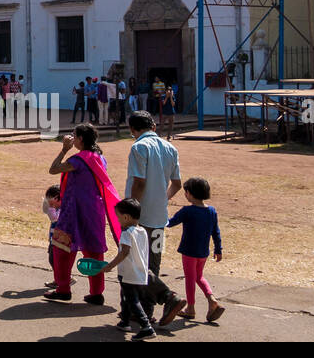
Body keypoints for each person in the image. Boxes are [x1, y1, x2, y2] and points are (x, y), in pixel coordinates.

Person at [43, 123, 116, 303]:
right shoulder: (99, 157)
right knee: (94, 251)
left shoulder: (78, 160)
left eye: (74, 136)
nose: (72, 138)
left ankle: (63, 288)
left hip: (74, 210)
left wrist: (64, 149)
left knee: (62, 250)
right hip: (94, 210)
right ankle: (97, 292)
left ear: (81, 139)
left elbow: (53, 169)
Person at [124, 111, 182, 278]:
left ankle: (161, 297)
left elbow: (139, 182)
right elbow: (177, 184)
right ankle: (158, 298)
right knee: (154, 260)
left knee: (137, 261)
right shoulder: (171, 148)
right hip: (160, 216)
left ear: (132, 129)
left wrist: (131, 209)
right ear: (154, 127)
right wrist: (163, 197)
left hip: (140, 216)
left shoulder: (139, 147)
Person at [167, 176, 225, 323]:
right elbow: (216, 232)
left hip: (189, 251)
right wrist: (218, 249)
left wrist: (158, 217)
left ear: (190, 193)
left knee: (190, 279)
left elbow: (170, 223)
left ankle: (190, 308)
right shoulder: (211, 211)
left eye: (186, 192)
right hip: (203, 252)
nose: (185, 194)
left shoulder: (187, 211)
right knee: (199, 276)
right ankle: (212, 300)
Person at [101, 198, 159, 341]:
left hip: (128, 274)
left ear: (126, 217)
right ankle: (124, 321)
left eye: (118, 217)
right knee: (125, 298)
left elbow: (124, 252)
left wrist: (110, 265)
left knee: (132, 301)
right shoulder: (142, 231)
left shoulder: (126, 233)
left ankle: (146, 327)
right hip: (139, 274)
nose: (117, 220)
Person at [41, 184, 62, 288]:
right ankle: (58, 279)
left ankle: (62, 279)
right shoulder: (55, 207)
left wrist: (51, 208)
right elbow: (44, 210)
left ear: (57, 197)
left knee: (56, 261)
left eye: (51, 198)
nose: (49, 201)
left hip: (60, 241)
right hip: (53, 239)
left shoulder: (61, 209)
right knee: (52, 260)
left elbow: (54, 218)